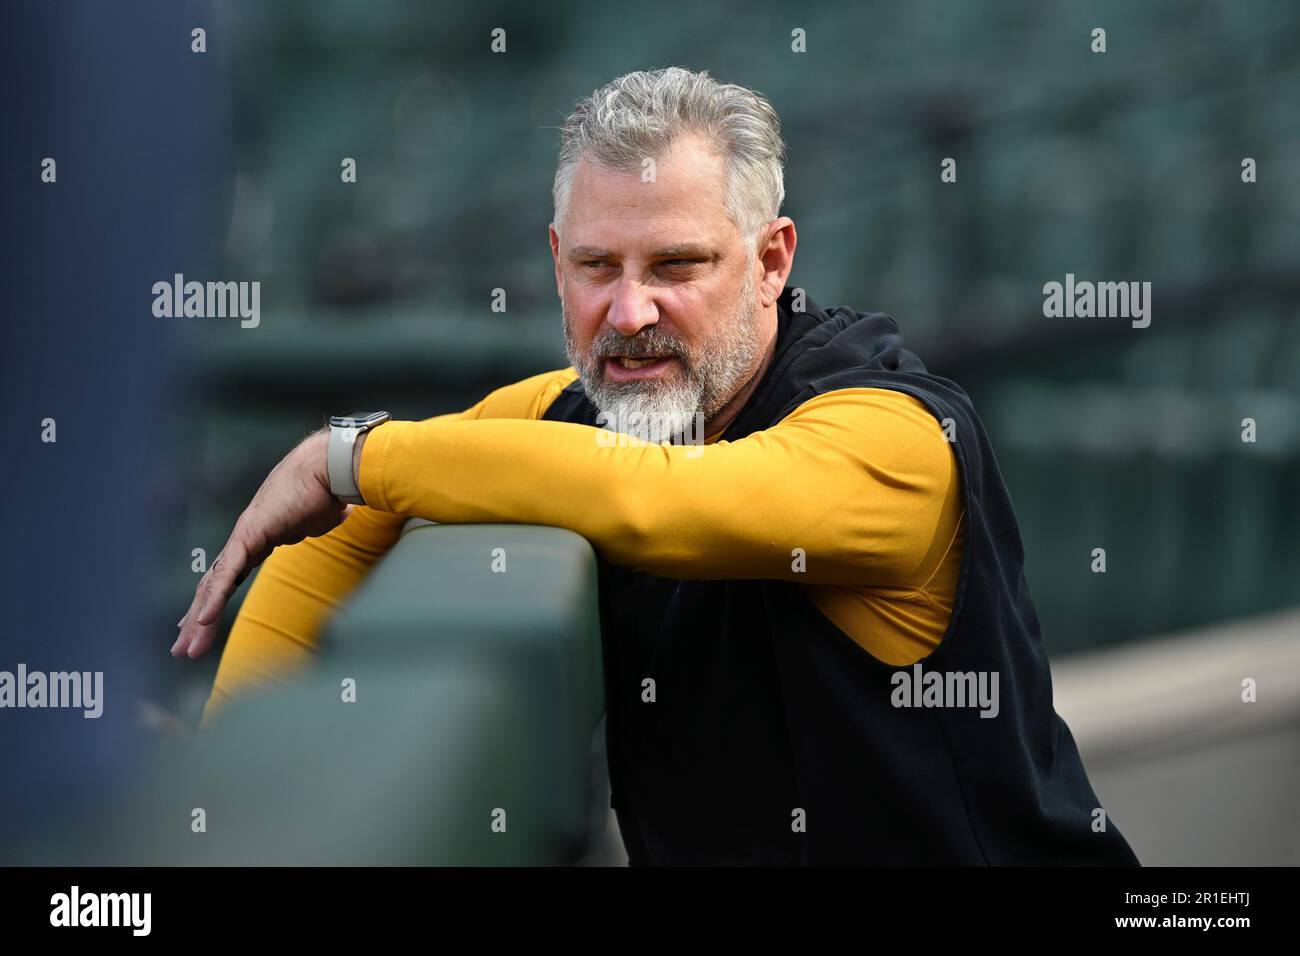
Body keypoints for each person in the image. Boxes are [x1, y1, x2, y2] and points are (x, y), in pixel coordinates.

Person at [174, 67, 1139, 866]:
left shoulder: (894, 437)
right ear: (557, 261)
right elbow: (341, 534)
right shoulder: (566, 409)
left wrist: (346, 452)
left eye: (676, 267)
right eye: (598, 268)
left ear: (770, 262)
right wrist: (226, 793)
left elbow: (656, 504)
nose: (629, 313)